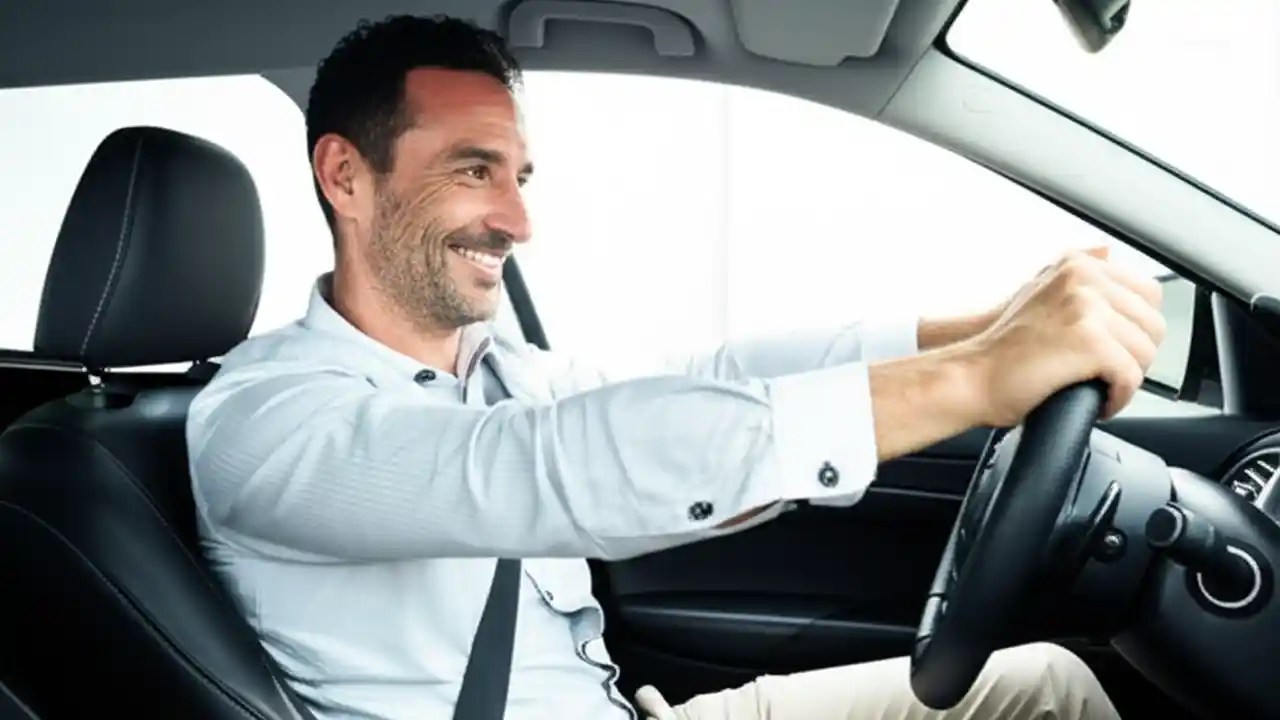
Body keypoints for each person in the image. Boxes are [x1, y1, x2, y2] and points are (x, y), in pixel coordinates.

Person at [186, 13, 1164, 720]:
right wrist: (974, 380)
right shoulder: (264, 424)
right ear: (345, 175)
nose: (518, 222)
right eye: (471, 169)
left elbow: (710, 371)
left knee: (1042, 686)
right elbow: (550, 466)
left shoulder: (493, 371)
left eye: (518, 177)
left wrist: (978, 329)